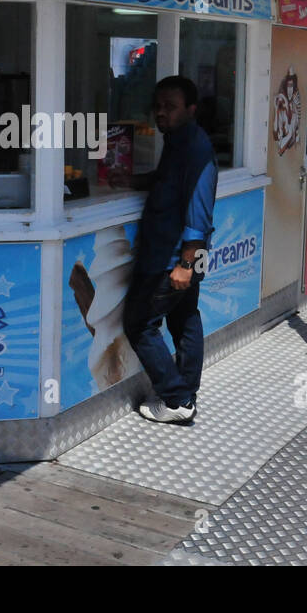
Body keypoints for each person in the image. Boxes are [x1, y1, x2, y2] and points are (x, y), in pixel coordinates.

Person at [123, 75, 217, 425]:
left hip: (174, 257)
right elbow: (164, 180)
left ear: (190, 110)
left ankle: (176, 399)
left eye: (171, 107)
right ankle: (185, 394)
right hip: (178, 255)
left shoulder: (196, 148)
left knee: (139, 324)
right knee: (185, 319)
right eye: (158, 106)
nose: (161, 113)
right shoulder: (177, 141)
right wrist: (130, 181)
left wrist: (185, 264)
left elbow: (199, 211)